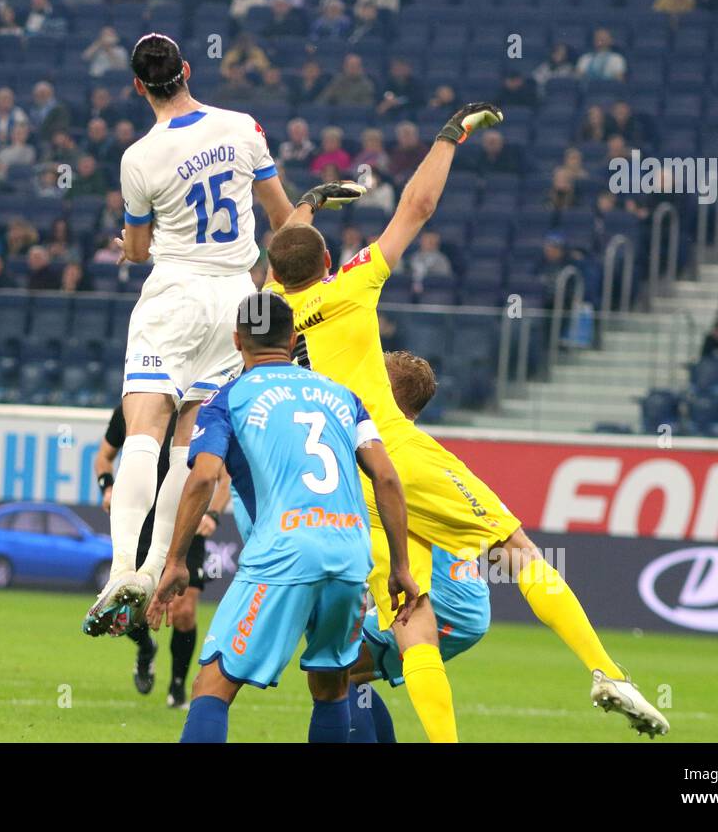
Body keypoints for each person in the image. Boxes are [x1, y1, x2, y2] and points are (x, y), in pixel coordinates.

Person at [267, 102, 670, 741]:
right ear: (325, 263)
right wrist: (449, 137)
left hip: (346, 487)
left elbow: (281, 254)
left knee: (412, 621)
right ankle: (605, 670)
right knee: (518, 552)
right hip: (395, 451)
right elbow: (416, 210)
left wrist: (307, 206)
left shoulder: (271, 313)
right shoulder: (349, 287)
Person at [82, 33, 293, 637]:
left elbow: (142, 248)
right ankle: (155, 569)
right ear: (188, 71)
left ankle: (123, 566)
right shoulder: (242, 127)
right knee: (188, 443)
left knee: (144, 429)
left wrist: (127, 248)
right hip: (235, 298)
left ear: (137, 86)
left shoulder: (139, 157)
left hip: (175, 292)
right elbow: (282, 221)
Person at [148, 293, 419, 743]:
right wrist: (401, 566)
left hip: (285, 548)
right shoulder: (343, 397)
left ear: (237, 341)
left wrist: (176, 560)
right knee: (332, 685)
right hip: (350, 553)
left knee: (212, 685)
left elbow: (202, 479)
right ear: (293, 339)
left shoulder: (227, 399)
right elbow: (387, 479)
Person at [348, 351, 491, 742]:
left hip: (446, 600)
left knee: (335, 669)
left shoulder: (389, 455)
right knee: (348, 675)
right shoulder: (412, 448)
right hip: (462, 594)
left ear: (388, 392)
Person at [95, 402, 230, 708]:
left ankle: (178, 686)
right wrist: (107, 486)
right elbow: (103, 458)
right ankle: (145, 648)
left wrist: (213, 515)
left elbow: (223, 477)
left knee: (184, 612)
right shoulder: (137, 405)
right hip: (143, 523)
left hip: (185, 523)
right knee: (129, 603)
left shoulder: (201, 410)